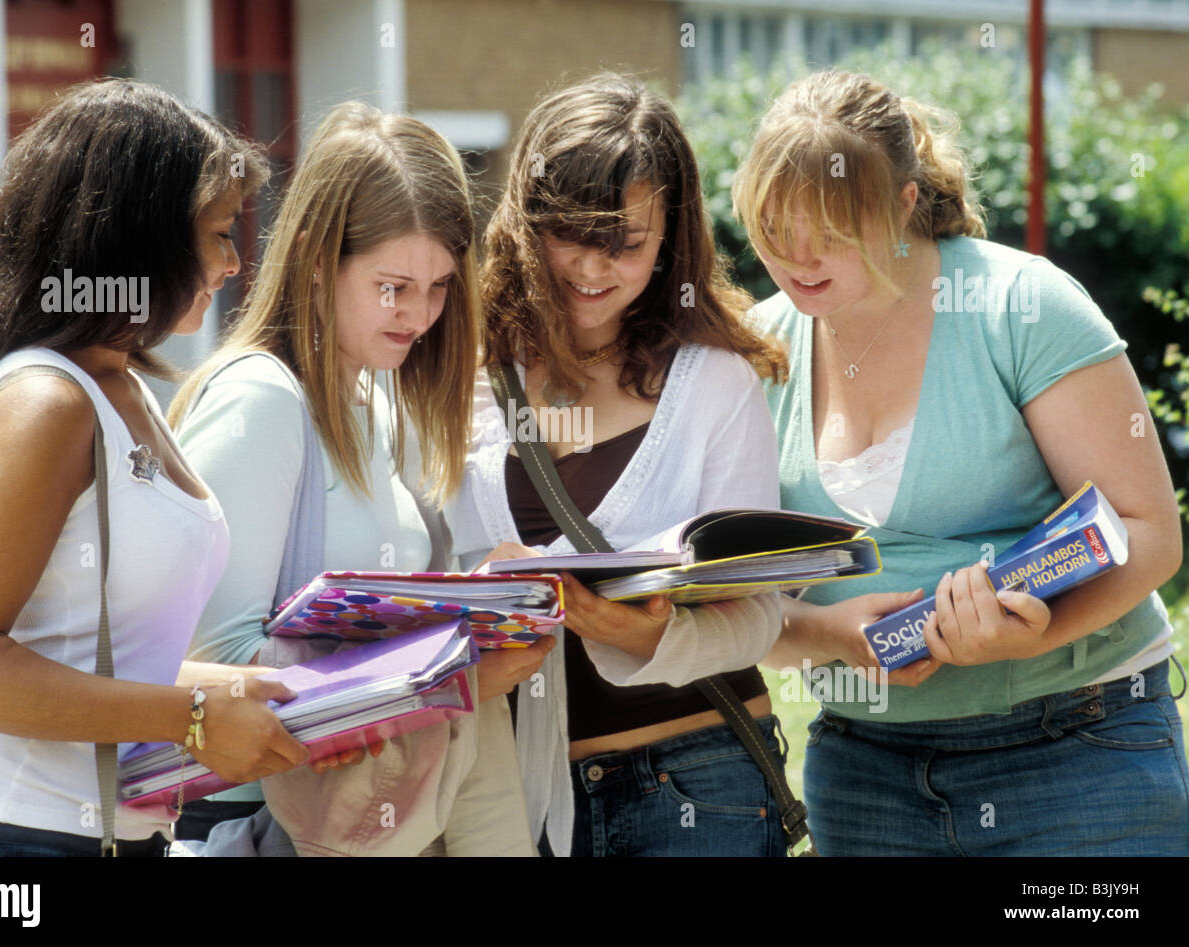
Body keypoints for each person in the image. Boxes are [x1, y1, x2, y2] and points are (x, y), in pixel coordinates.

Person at [736, 69, 1188, 856]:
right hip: (863, 769)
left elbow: (1151, 533)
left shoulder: (1024, 306)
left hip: (1078, 749)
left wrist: (1027, 639)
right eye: (775, 230)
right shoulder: (760, 351)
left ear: (905, 204)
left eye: (834, 231)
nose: (799, 259)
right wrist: (827, 633)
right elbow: (731, 602)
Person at [0, 79, 314, 857]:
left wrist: (224, 689)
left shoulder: (123, 384)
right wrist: (188, 713)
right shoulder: (48, 405)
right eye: (221, 233)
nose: (234, 261)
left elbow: (91, 645)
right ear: (140, 237)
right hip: (15, 842)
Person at [167, 101, 545, 856]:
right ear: (315, 256)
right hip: (264, 821)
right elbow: (212, 661)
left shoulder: (372, 398)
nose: (420, 314)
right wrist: (458, 668)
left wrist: (477, 599)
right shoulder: (263, 398)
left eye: (439, 286)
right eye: (392, 285)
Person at [445, 74, 790, 857]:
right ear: (525, 220)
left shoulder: (713, 382)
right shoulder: (464, 375)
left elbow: (760, 612)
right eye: (570, 235)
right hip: (511, 796)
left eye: (627, 244)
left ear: (671, 236)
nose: (594, 269)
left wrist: (614, 625)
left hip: (695, 779)